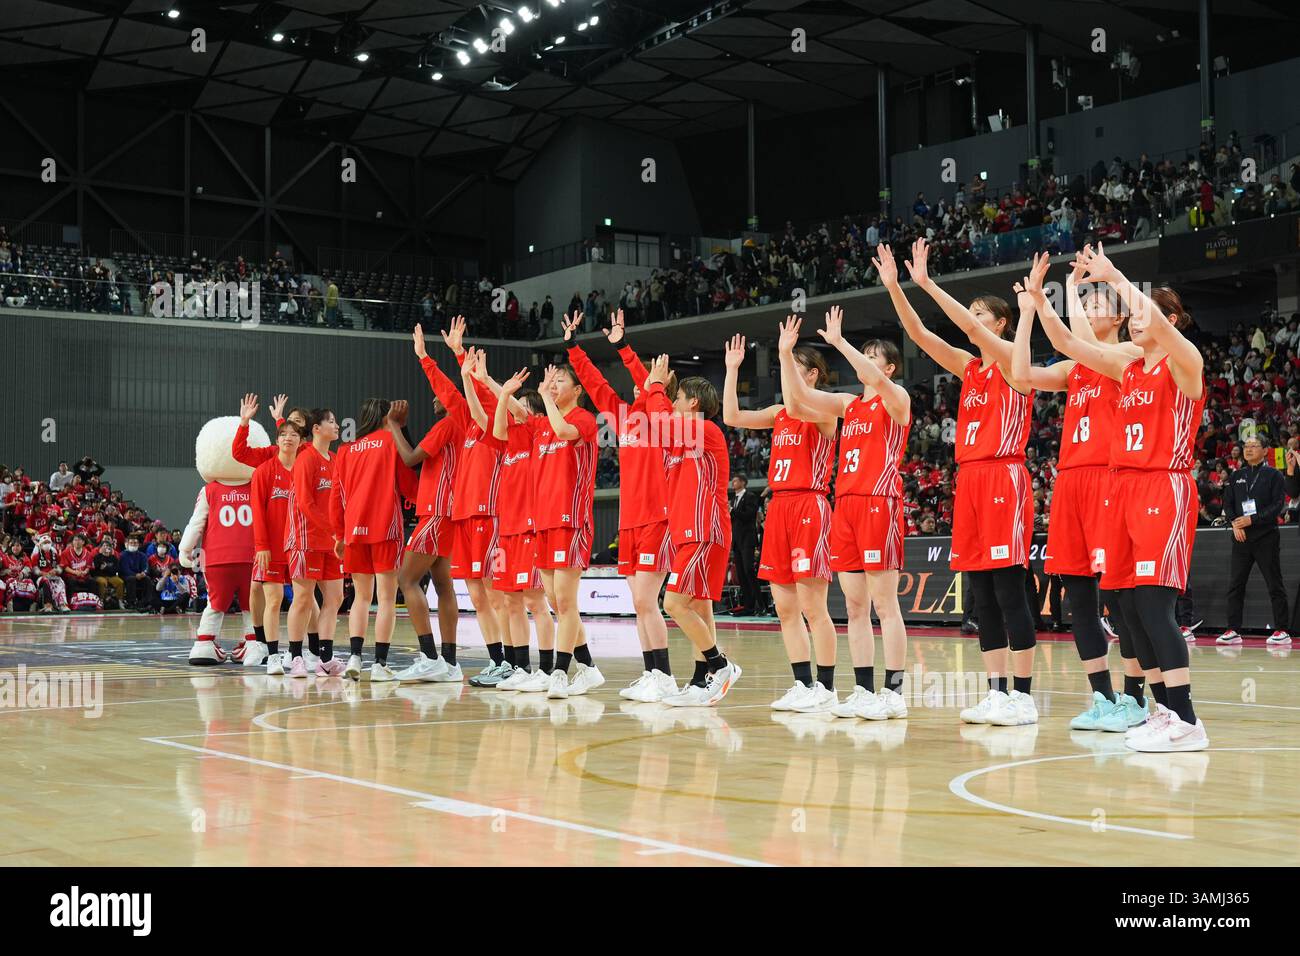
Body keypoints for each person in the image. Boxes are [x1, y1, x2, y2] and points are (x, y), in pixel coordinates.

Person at [885, 238, 1039, 727]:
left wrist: (928, 281)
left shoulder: (1016, 363)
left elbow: (965, 325)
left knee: (1010, 592)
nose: (972, 319)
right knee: (981, 596)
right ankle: (997, 692)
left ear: (1000, 324)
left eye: (979, 314)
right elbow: (918, 332)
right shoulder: (970, 368)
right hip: (969, 481)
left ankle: (1024, 695)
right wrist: (896, 287)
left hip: (1003, 476)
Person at [1061, 244, 1208, 752]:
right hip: (1121, 489)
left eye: (1147, 316)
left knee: (1153, 603)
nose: (1133, 323)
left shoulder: (1186, 363)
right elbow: (1074, 345)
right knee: (1128, 605)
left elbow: (1157, 327)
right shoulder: (1129, 371)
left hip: (1162, 486)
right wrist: (1044, 298)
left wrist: (1114, 276)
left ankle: (1186, 718)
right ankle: (1163, 709)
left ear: (1168, 320)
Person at [1014, 250, 1153, 733]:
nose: (1089, 310)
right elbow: (1023, 375)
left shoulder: (1129, 358)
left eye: (1097, 305)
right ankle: (1102, 698)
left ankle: (1135, 698)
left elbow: (1070, 339)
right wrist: (1031, 308)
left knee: (1122, 595)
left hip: (1110, 480)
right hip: (1070, 483)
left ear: (1118, 315)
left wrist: (1064, 290)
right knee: (1079, 598)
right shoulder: (1075, 371)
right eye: (1085, 303)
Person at [785, 305, 911, 720]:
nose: (865, 362)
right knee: (855, 607)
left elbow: (872, 377)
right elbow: (800, 398)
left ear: (889, 368)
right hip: (847, 508)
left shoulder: (897, 400)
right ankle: (863, 689)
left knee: (884, 604)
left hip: (880, 503)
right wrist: (786, 355)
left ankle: (893, 690)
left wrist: (839, 342)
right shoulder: (848, 404)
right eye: (864, 355)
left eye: (873, 356)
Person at [560, 309, 676, 701]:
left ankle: (664, 676)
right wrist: (574, 348)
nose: (639, 386)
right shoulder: (626, 418)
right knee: (639, 604)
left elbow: (647, 384)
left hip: (658, 519)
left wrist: (625, 348)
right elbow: (594, 385)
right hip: (630, 522)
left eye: (650, 385)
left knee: (646, 601)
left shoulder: (662, 418)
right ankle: (652, 674)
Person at [724, 321, 838, 713]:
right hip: (779, 510)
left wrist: (786, 353)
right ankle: (803, 685)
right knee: (786, 609)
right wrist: (733, 369)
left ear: (812, 374)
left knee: (813, 608)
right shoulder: (778, 415)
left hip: (809, 506)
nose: (783, 368)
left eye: (791, 364)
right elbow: (732, 416)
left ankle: (825, 687)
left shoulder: (823, 410)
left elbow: (796, 402)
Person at [642, 355, 741, 706]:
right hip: (687, 531)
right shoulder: (681, 439)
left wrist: (655, 386)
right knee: (699, 607)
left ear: (693, 403)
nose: (672, 404)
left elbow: (659, 417)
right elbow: (656, 422)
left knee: (674, 603)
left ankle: (721, 664)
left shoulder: (705, 429)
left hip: (704, 529)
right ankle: (702, 681)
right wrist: (651, 383)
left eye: (678, 398)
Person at [391, 321, 472, 684]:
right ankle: (450, 663)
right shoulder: (463, 425)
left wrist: (393, 424)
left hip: (437, 511)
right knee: (443, 586)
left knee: (405, 580)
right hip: (450, 513)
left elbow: (409, 458)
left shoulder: (448, 423)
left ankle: (429, 657)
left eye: (441, 393)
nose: (435, 397)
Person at [331, 398, 419, 681]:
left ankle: (355, 657)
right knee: (386, 599)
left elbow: (336, 496)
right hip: (386, 529)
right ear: (386, 417)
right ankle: (380, 664)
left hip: (354, 531)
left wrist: (339, 533)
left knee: (360, 597)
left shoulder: (345, 451)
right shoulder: (391, 441)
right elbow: (408, 485)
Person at [489, 372, 560, 691]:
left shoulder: (539, 435)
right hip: (507, 531)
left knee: (535, 602)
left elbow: (520, 412)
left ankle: (546, 670)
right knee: (509, 600)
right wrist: (500, 390)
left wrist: (501, 390)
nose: (517, 412)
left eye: (522, 408)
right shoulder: (510, 439)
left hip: (531, 529)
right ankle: (520, 666)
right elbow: (498, 425)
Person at [285, 408, 347, 676]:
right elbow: (305, 503)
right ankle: (295, 655)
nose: (336, 425)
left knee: (335, 597)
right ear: (316, 429)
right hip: (305, 539)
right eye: (331, 421)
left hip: (330, 541)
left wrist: (341, 532)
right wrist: (333, 530)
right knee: (303, 598)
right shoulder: (306, 457)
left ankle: (325, 658)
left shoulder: (335, 459)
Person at [1218, 435, 1290, 644]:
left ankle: (1282, 630)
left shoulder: (1273, 475)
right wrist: (1234, 523)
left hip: (1266, 536)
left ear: (1265, 450)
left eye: (1254, 446)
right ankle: (1233, 630)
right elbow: (1228, 503)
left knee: (1274, 583)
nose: (1248, 449)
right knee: (1236, 584)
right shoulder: (1237, 475)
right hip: (1241, 537)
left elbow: (1278, 505)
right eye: (1246, 446)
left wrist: (1253, 520)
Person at [250, 420, 304, 675]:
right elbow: (257, 511)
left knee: (304, 601)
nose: (288, 439)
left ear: (301, 441)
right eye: (283, 435)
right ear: (277, 440)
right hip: (271, 548)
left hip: (300, 547)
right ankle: (272, 655)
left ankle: (298, 655)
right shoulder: (263, 471)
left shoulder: (305, 469)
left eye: (294, 435)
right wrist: (261, 545)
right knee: (274, 600)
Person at [728, 475, 761, 616]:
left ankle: (760, 604)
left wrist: (732, 510)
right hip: (737, 540)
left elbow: (749, 515)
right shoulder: (733, 499)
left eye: (736, 480)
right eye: (733, 481)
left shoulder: (750, 496)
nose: (733, 483)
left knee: (749, 570)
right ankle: (748, 607)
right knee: (741, 574)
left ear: (743, 482)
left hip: (747, 539)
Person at [91, 538, 124, 608]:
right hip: (99, 576)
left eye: (108, 546)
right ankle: (101, 600)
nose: (106, 547)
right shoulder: (97, 557)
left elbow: (117, 569)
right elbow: (96, 569)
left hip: (111, 576)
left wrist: (106, 568)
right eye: (104, 546)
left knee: (120, 582)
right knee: (102, 582)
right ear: (101, 548)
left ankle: (120, 600)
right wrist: (105, 568)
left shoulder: (114, 558)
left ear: (111, 548)